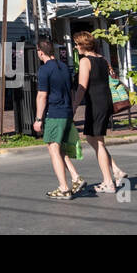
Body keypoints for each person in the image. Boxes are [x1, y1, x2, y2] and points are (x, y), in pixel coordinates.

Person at [71, 31, 128, 193]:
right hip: (104, 101)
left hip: (96, 103)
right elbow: (113, 75)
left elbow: (82, 87)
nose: (76, 47)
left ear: (83, 45)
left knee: (99, 142)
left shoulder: (85, 61)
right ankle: (116, 170)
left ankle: (108, 182)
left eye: (77, 44)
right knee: (91, 138)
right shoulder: (103, 59)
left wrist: (75, 105)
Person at [33, 38, 86, 200]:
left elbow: (42, 96)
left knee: (53, 149)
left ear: (40, 52)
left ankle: (64, 188)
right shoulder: (64, 67)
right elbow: (70, 90)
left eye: (38, 51)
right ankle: (76, 178)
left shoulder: (44, 70)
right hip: (66, 111)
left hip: (54, 113)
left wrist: (38, 119)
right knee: (58, 148)